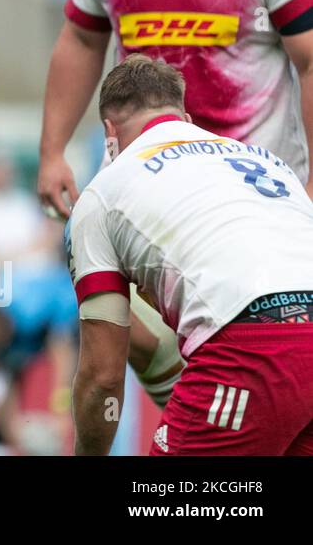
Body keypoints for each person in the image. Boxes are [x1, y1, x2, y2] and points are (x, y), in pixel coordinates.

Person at [38, 0, 313, 409]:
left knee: (244, 354)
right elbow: (82, 38)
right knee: (109, 319)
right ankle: (190, 420)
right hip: (146, 192)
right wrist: (52, 151)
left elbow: (311, 60)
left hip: (249, 197)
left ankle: (201, 441)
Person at [69, 55, 313, 455]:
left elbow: (103, 376)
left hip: (255, 346)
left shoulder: (101, 194)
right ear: (184, 116)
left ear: (108, 132)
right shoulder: (266, 161)